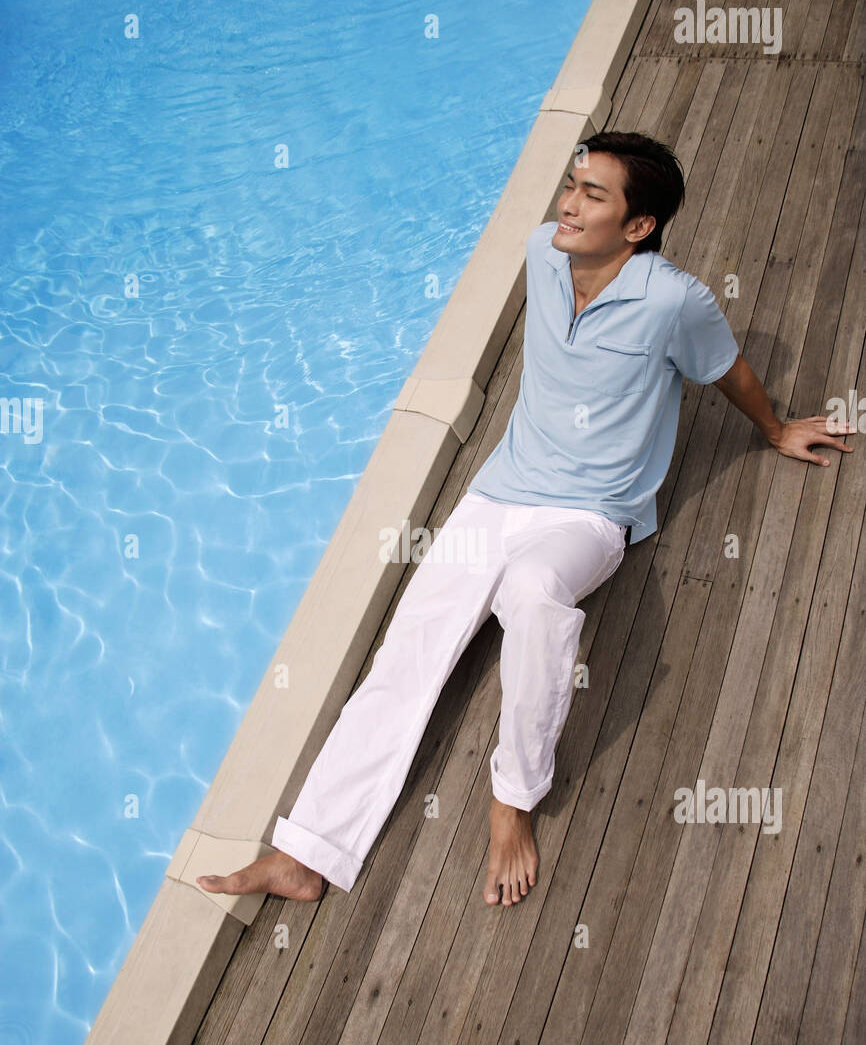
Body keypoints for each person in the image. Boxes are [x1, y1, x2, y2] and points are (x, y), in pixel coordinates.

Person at [198, 131, 853, 909]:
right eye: (572, 185)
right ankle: (304, 854)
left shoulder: (675, 301)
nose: (568, 205)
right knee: (408, 652)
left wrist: (775, 429)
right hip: (498, 493)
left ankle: (512, 799)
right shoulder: (546, 252)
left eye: (594, 195)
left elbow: (727, 370)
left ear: (638, 226)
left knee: (537, 597)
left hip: (589, 513)